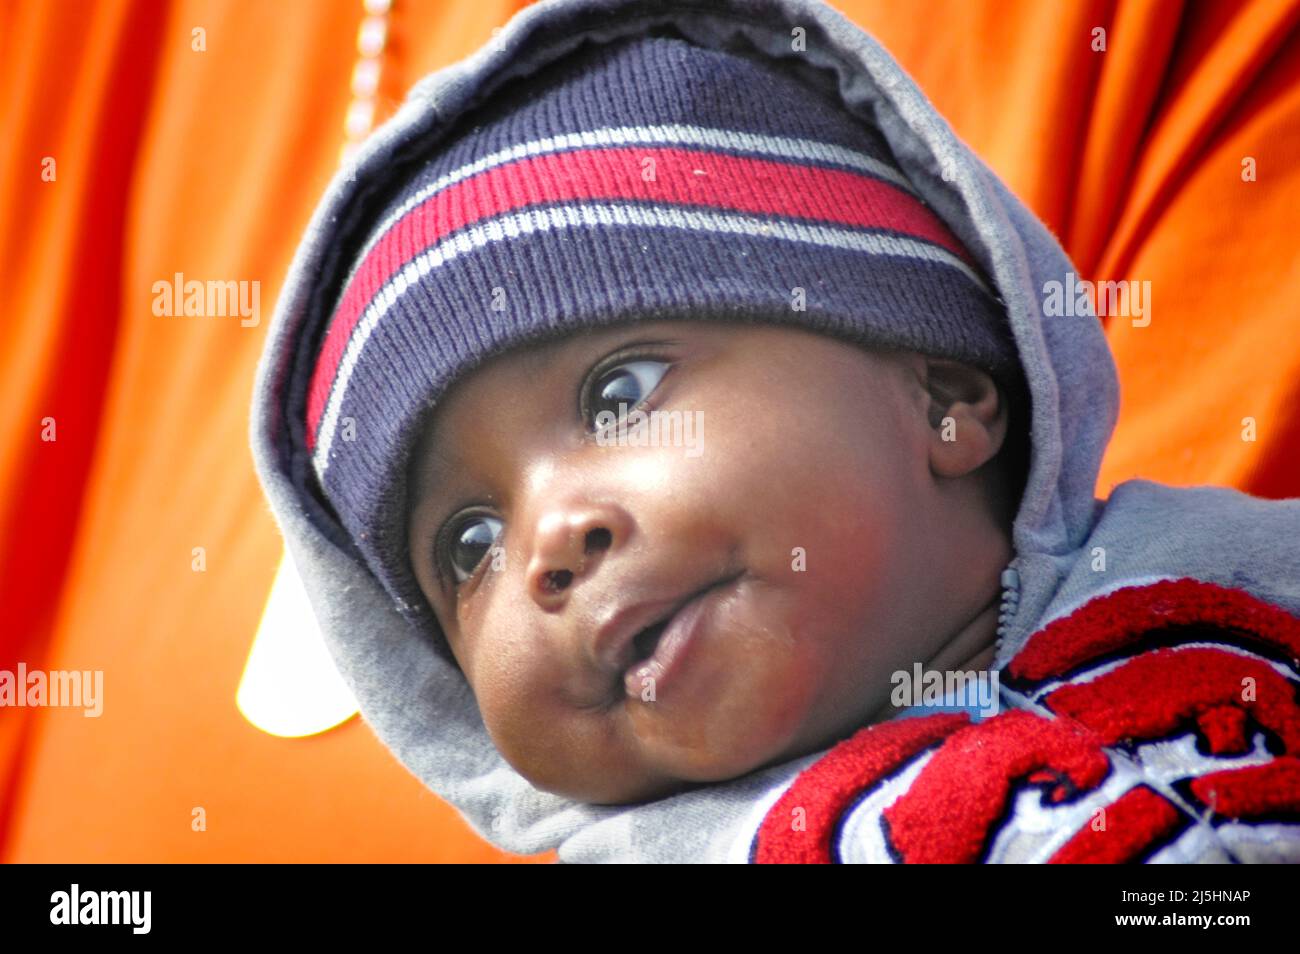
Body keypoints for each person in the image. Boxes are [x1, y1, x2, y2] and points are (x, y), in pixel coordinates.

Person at [251, 0, 1300, 862]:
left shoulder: (1241, 571)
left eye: (622, 393)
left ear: (944, 397)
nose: (548, 542)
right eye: (466, 546)